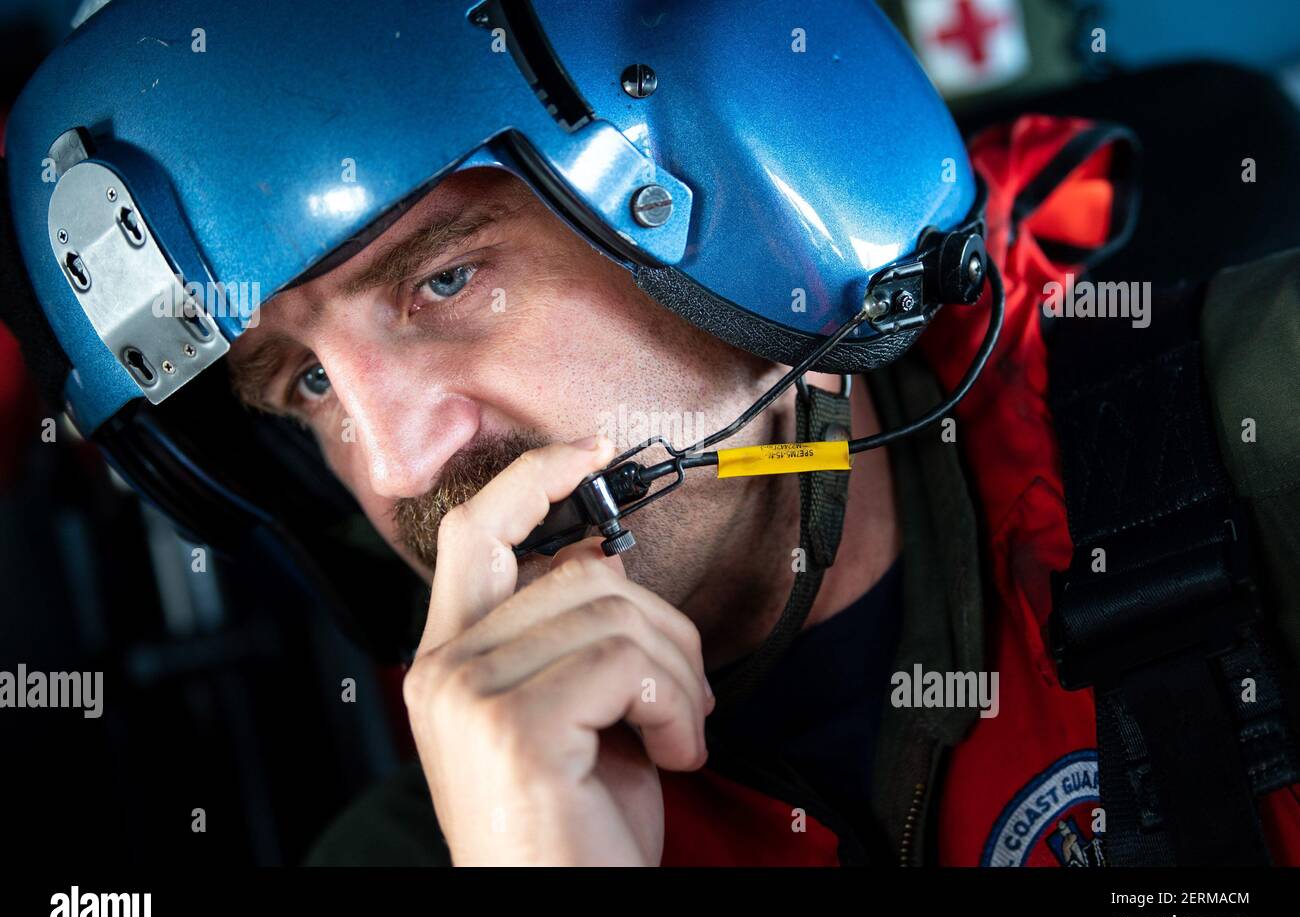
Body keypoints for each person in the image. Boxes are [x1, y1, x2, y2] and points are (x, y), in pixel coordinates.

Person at [2, 0, 1297, 866]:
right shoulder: (429, 850)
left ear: (746, 196)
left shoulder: (1259, 426)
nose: (399, 468)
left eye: (443, 281)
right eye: (304, 390)